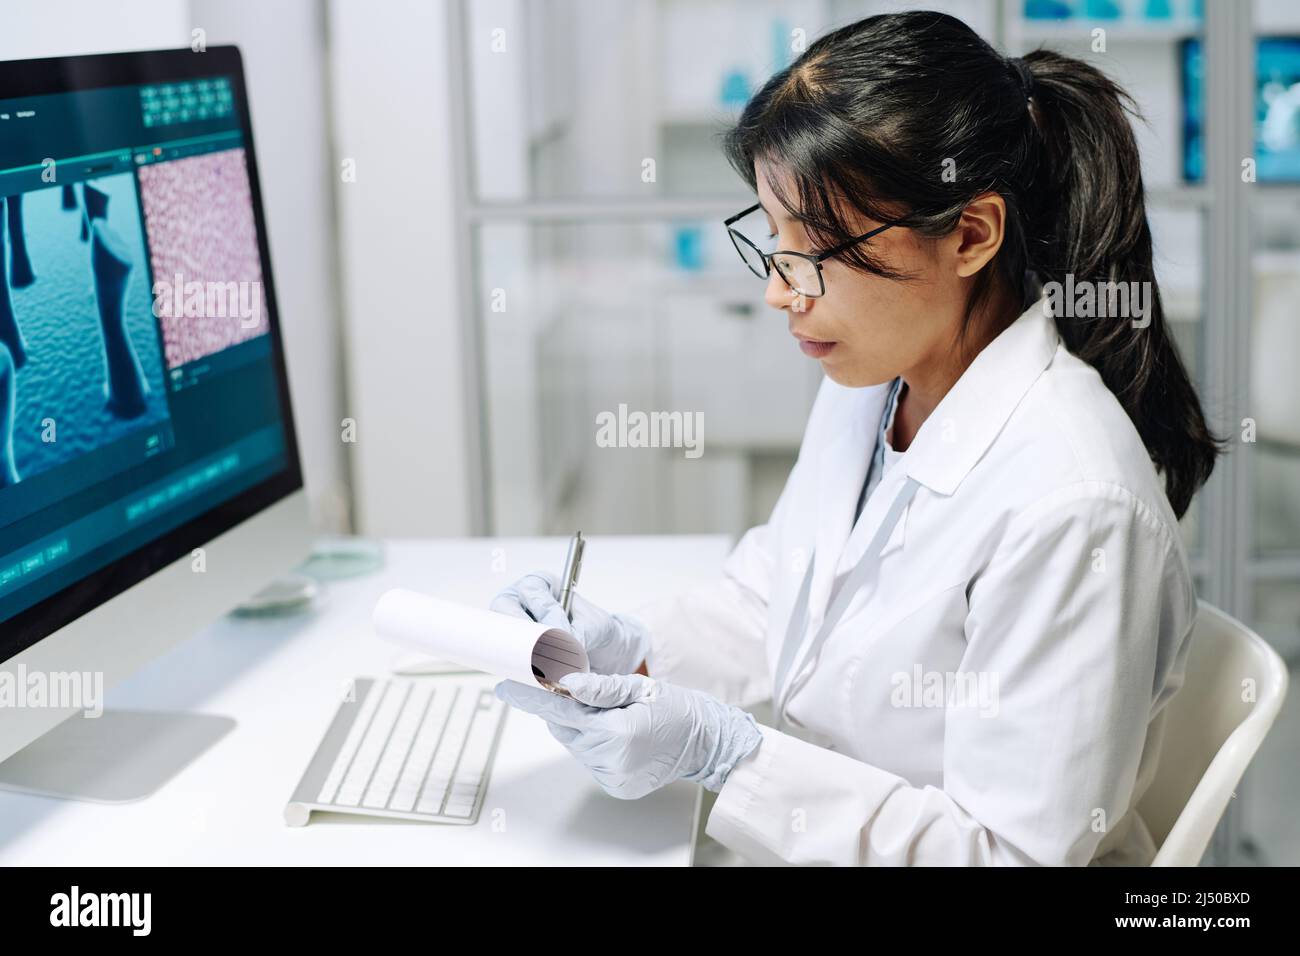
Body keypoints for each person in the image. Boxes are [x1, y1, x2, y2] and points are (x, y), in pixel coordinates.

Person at [492, 10, 1220, 866]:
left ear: (971, 234)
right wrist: (629, 653)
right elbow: (778, 601)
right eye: (774, 242)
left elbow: (1007, 855)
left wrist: (734, 758)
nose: (780, 292)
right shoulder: (875, 383)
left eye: (819, 251)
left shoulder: (1074, 505)